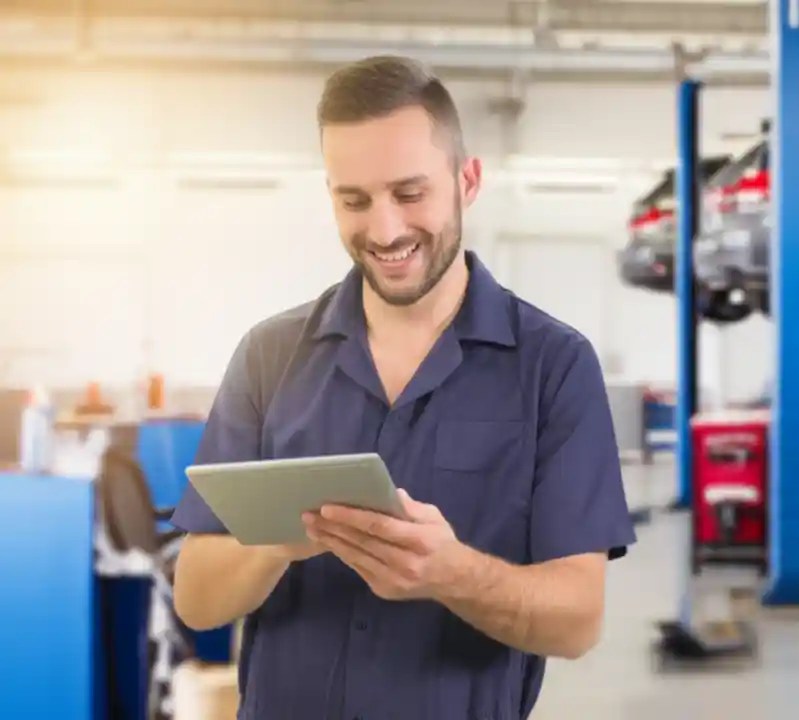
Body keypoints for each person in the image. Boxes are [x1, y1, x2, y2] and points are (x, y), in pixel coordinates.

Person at [170, 55, 637, 720]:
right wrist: (277, 540)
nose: (384, 231)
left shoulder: (553, 367)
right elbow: (196, 597)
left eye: (410, 194)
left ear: (467, 180)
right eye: (353, 200)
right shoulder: (269, 357)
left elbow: (577, 619)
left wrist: (453, 574)